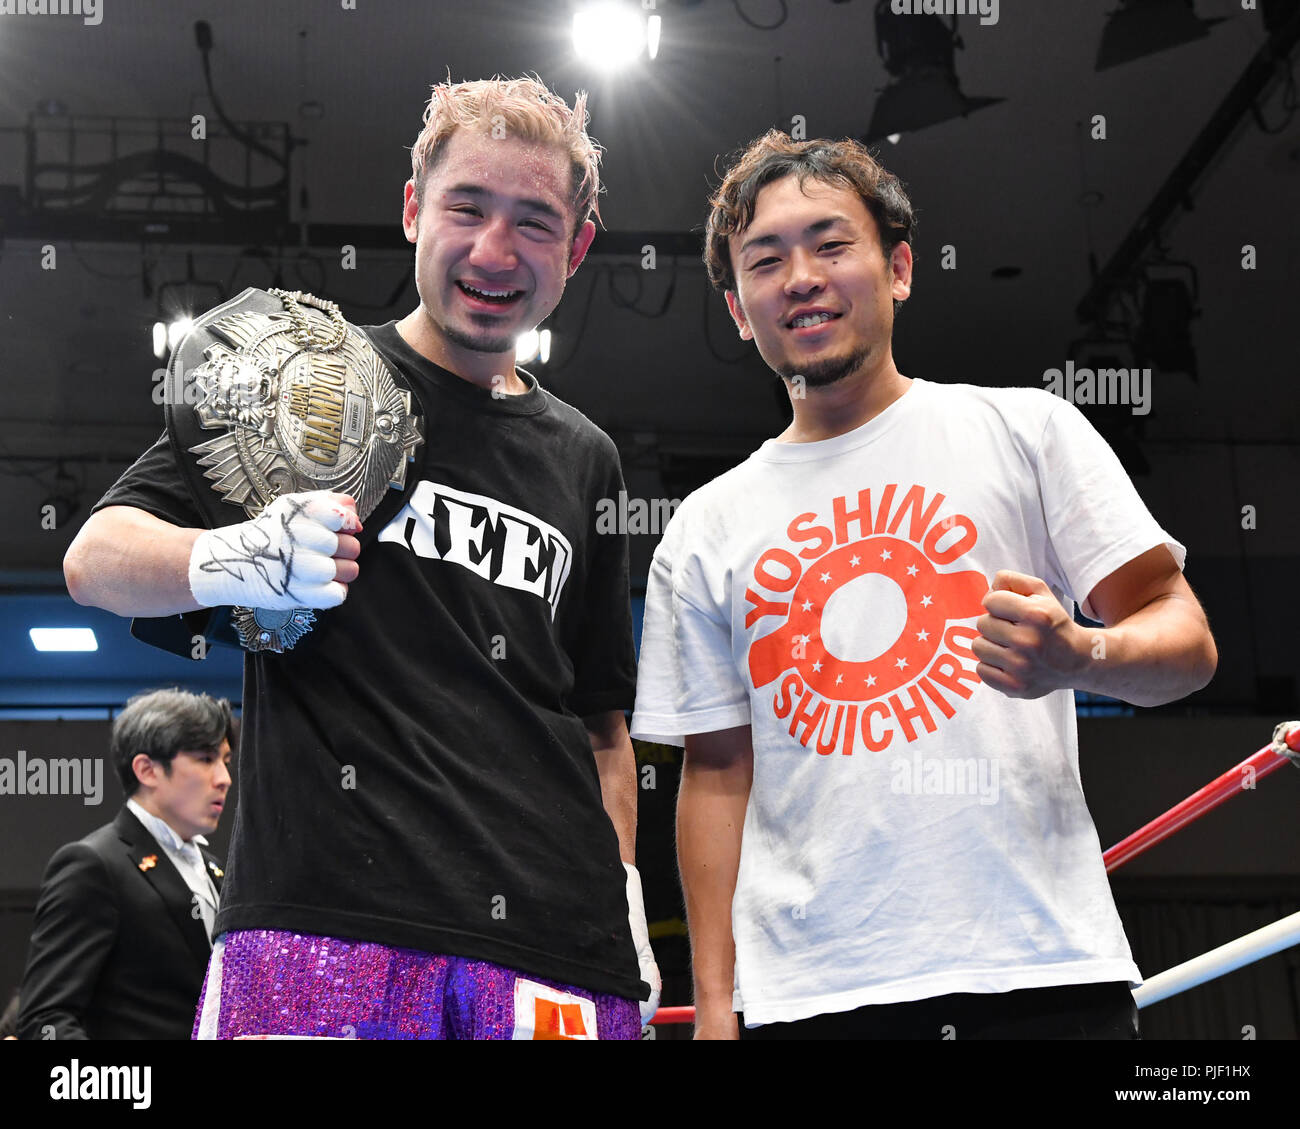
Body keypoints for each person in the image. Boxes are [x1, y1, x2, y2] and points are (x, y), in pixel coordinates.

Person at [63, 76, 657, 1040]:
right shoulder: (306, 378)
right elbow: (96, 559)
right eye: (468, 206)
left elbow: (599, 727)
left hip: (556, 944)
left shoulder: (585, 456)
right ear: (416, 207)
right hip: (325, 930)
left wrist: (622, 889)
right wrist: (233, 557)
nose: (494, 250)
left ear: (577, 249)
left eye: (535, 222)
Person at [630, 130, 1218, 1040]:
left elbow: (1186, 642)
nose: (802, 277)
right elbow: (715, 774)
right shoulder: (705, 527)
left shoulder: (1027, 431)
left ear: (899, 266)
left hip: (1038, 971)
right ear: (740, 311)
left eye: (831, 244)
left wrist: (1079, 653)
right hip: (810, 999)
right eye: (766, 260)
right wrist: (714, 1012)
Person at [18, 688, 233, 1040]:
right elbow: (45, 1021)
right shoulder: (93, 865)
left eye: (225, 760)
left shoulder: (215, 871)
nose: (224, 777)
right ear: (147, 770)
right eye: (206, 758)